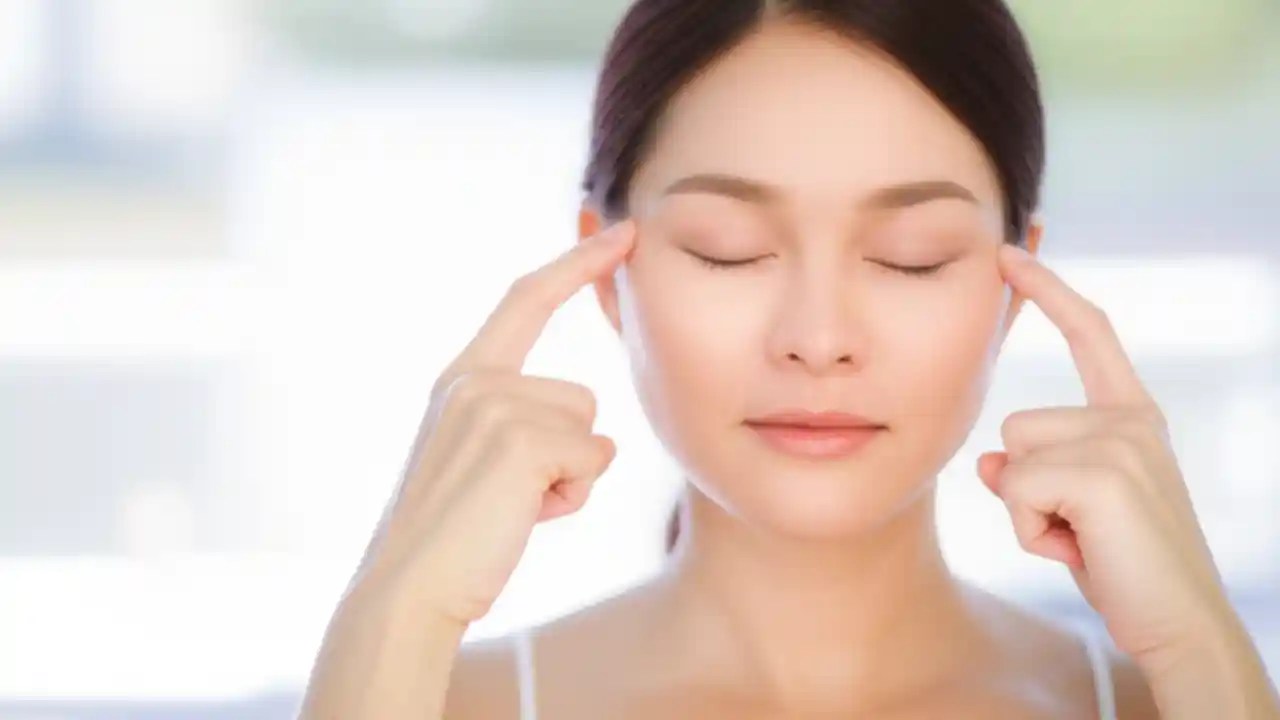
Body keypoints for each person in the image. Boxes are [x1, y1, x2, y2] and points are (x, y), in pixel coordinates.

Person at [296, 1, 1280, 718]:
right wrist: (398, 606)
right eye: (727, 247)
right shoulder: (428, 699)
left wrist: (1200, 646)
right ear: (605, 271)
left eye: (910, 256)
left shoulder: (1169, 699)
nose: (816, 337)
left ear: (1016, 281)